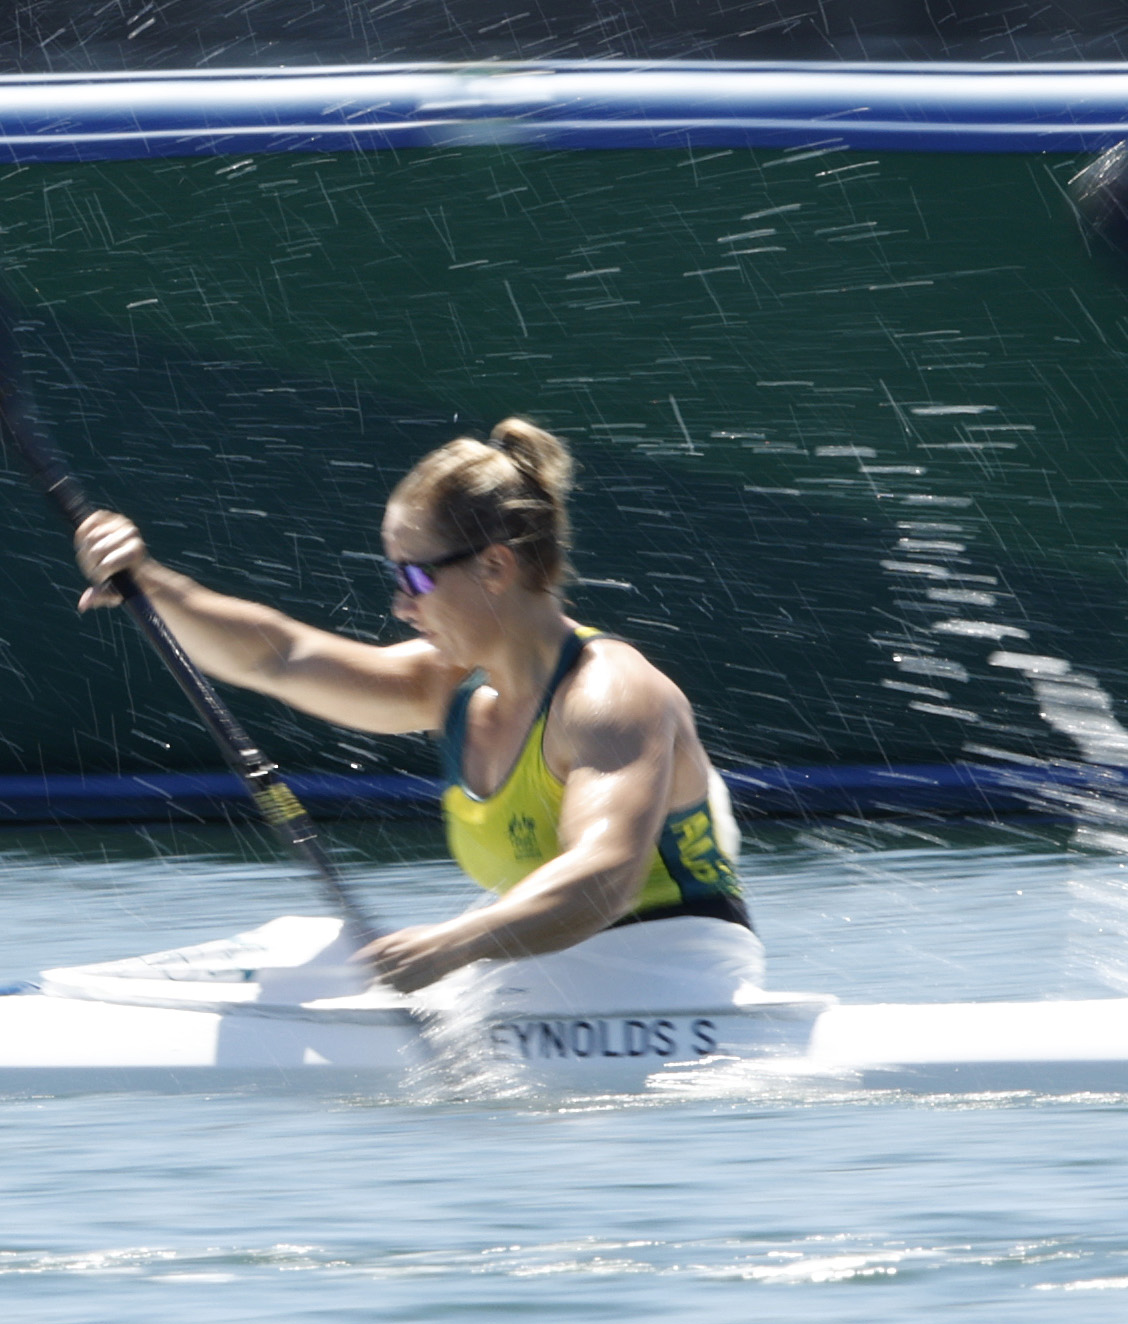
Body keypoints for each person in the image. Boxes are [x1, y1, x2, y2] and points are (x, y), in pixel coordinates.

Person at [64, 414, 752, 995]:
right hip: (548, 977)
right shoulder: (448, 684)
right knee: (310, 951)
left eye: (414, 576)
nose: (399, 602)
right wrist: (152, 582)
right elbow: (280, 657)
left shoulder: (609, 695)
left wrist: (452, 944)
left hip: (677, 980)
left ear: (495, 566)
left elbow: (604, 876)